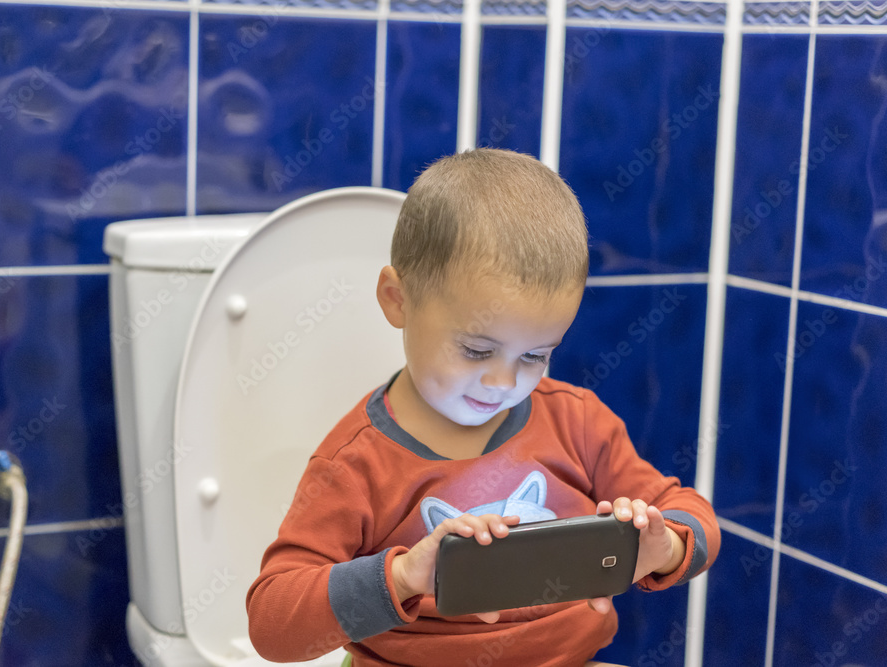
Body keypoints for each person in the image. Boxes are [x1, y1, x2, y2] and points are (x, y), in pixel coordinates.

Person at [247, 148, 720, 666]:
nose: (502, 381)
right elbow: (273, 625)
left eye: (535, 355)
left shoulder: (578, 423)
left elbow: (692, 516)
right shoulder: (355, 466)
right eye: (476, 349)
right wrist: (405, 575)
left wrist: (664, 547)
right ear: (396, 299)